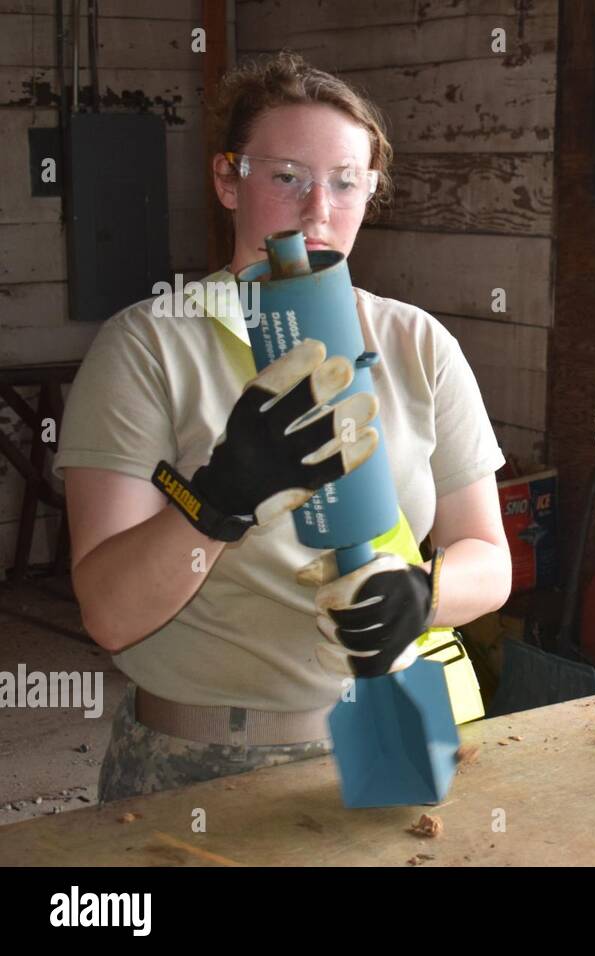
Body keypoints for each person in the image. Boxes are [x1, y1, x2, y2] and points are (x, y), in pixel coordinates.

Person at [52, 51, 512, 803]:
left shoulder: (416, 343)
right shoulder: (149, 344)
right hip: (202, 764)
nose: (317, 211)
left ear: (371, 192)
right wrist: (218, 500)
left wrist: (423, 595)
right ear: (228, 181)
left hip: (397, 734)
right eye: (287, 176)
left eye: (344, 182)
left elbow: (489, 558)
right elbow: (109, 614)